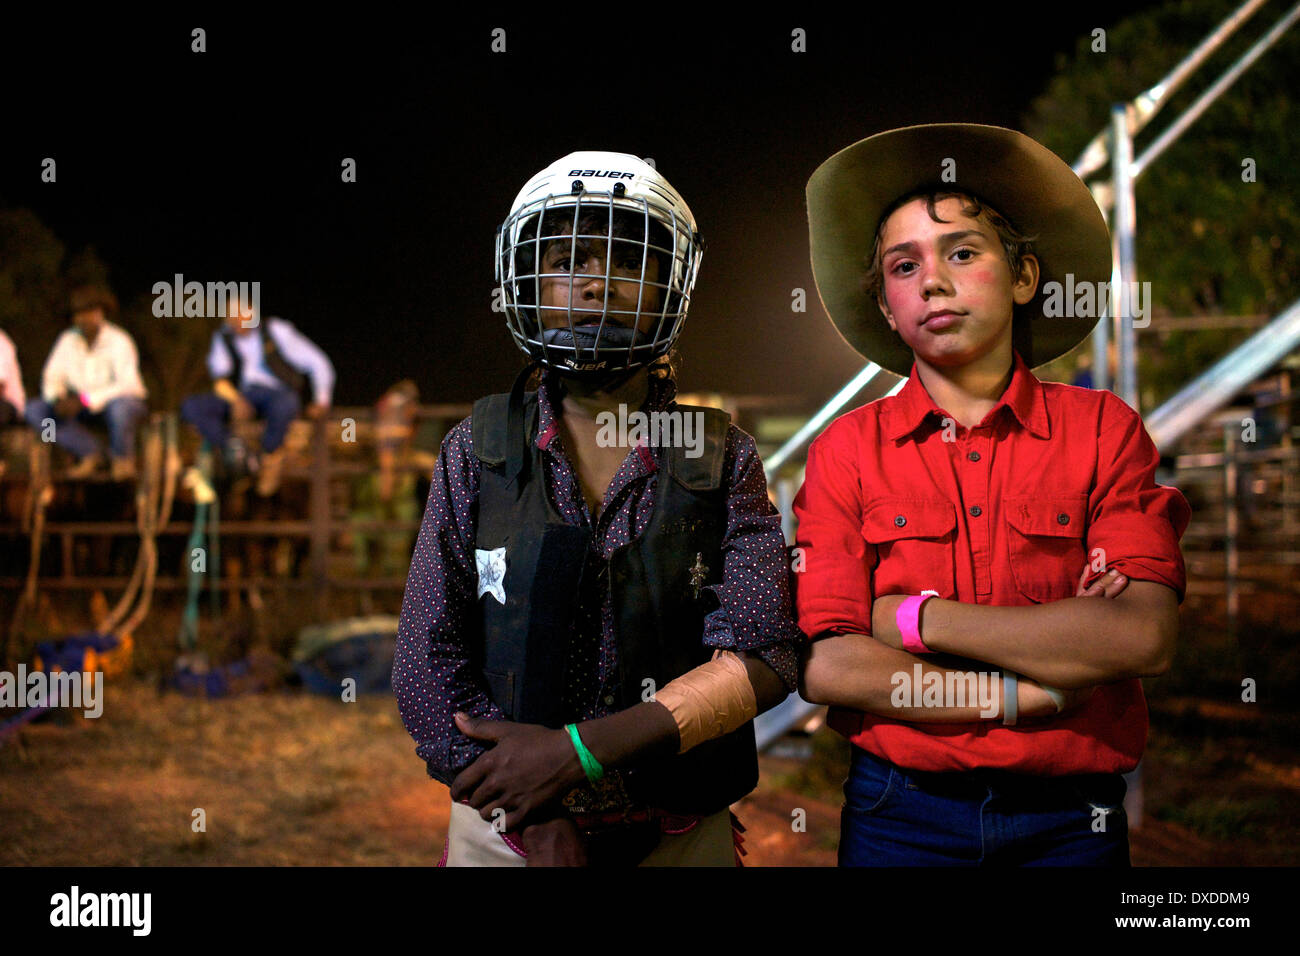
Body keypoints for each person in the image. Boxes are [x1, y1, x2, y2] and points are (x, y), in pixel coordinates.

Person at [795, 124, 1191, 866]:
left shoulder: (1104, 432)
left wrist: (910, 618)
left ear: (1023, 276)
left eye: (963, 253)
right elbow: (831, 666)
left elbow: (1139, 636)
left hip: (1073, 822)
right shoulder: (846, 451)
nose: (933, 281)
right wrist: (1023, 694)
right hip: (900, 815)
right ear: (885, 305)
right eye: (903, 266)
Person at [392, 151, 802, 866]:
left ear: (669, 285)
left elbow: (765, 649)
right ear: (525, 280)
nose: (593, 282)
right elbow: (426, 660)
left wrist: (579, 753)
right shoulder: (476, 450)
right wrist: (537, 816)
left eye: (626, 261)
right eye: (565, 259)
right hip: (506, 829)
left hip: (681, 830)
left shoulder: (721, 456)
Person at [180, 294, 334, 496]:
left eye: (239, 317)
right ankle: (234, 451)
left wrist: (321, 400)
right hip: (243, 396)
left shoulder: (276, 331)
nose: (236, 323)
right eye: (231, 319)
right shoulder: (224, 337)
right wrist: (235, 400)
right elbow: (219, 379)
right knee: (192, 406)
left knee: (287, 403)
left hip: (277, 393)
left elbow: (318, 362)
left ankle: (270, 458)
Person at [25, 284, 148, 480]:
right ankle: (91, 453)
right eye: (79, 313)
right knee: (36, 410)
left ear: (101, 313)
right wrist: (57, 397)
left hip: (117, 405)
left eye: (90, 312)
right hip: (80, 408)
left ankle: (122, 460)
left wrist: (85, 399)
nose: (84, 318)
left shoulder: (119, 341)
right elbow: (51, 376)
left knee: (122, 408)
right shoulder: (67, 340)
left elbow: (129, 384)